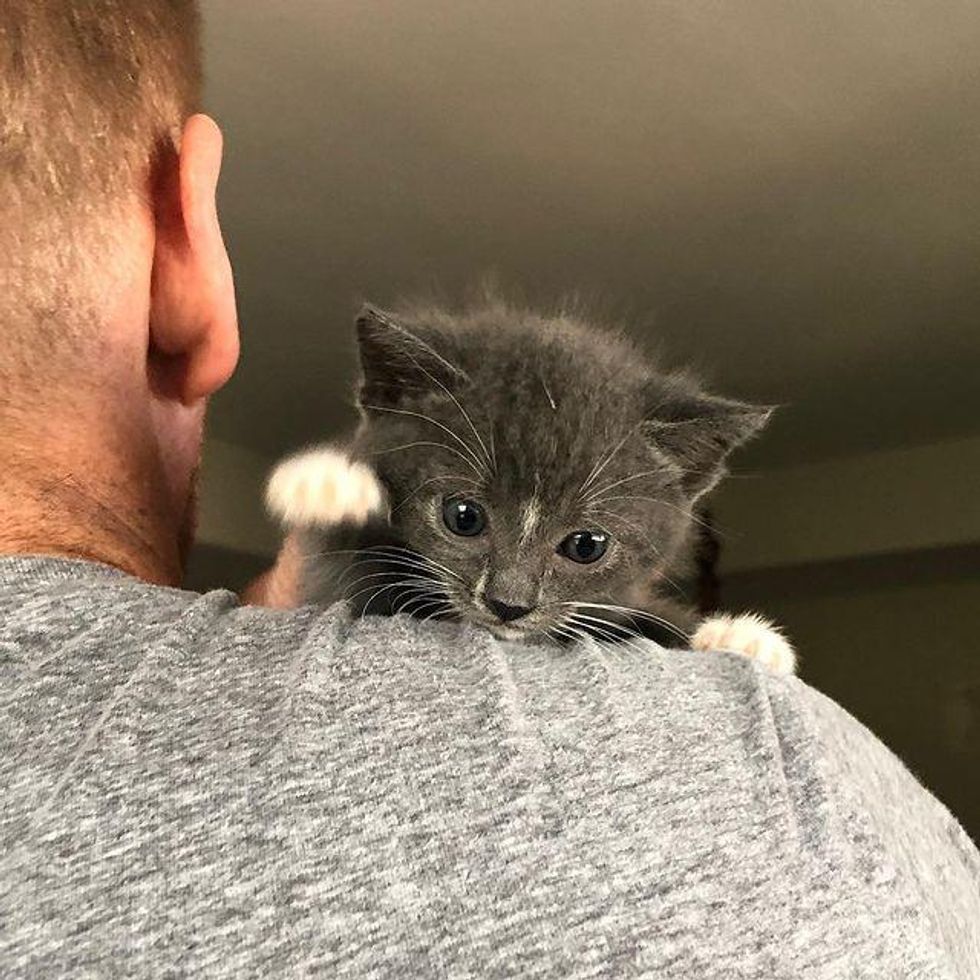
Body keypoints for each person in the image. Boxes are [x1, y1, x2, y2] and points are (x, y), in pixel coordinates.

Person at [0, 3, 977, 976]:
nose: (508, 591)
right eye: (462, 519)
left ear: (683, 483)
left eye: (580, 548)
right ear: (186, 244)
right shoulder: (778, 768)